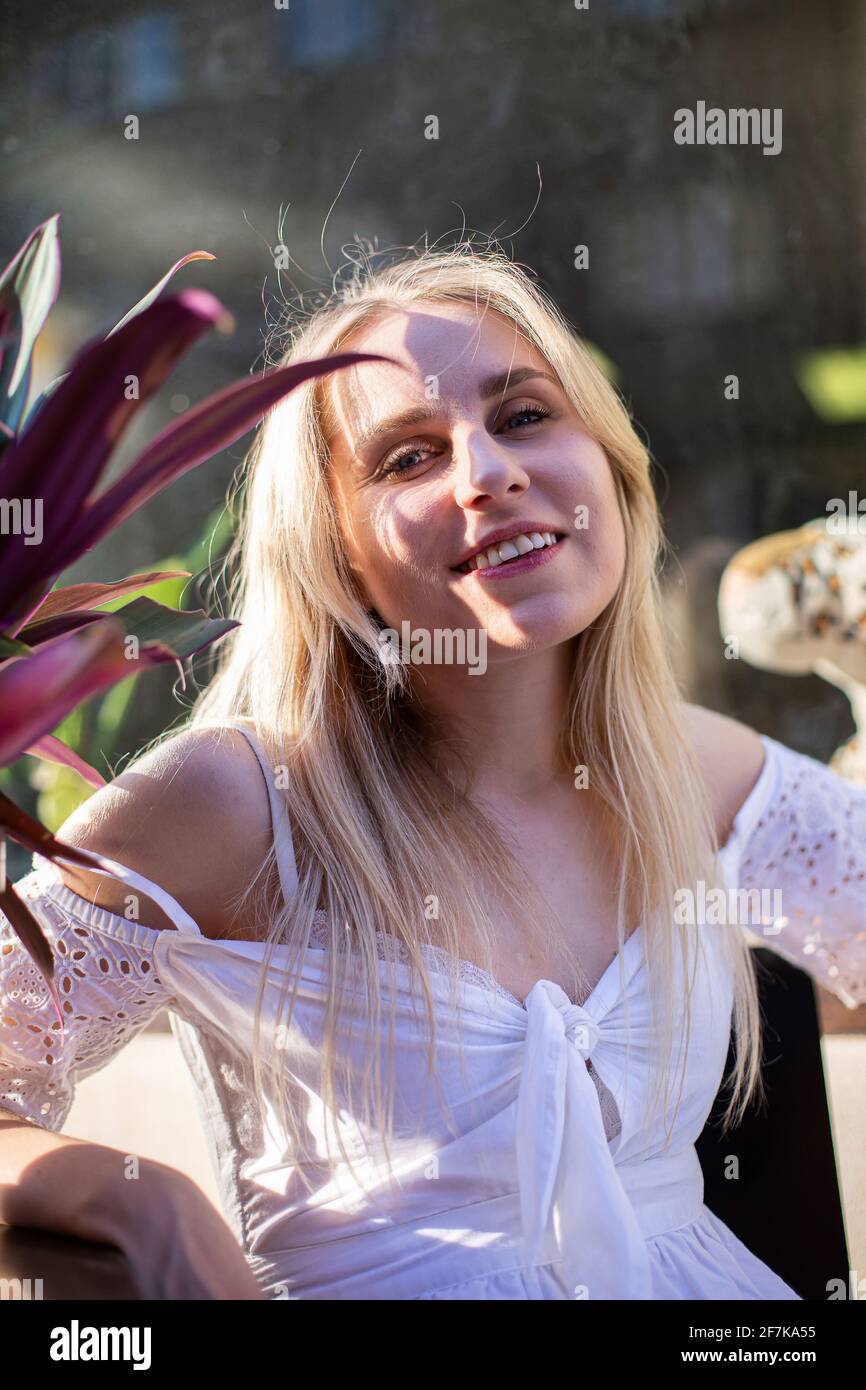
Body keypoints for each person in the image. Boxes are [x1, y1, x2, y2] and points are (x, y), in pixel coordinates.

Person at [1, 241, 864, 1300]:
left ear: (606, 463)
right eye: (407, 457)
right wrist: (129, 1196)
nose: (486, 471)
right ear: (335, 551)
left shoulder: (694, 769)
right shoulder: (237, 800)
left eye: (522, 416)